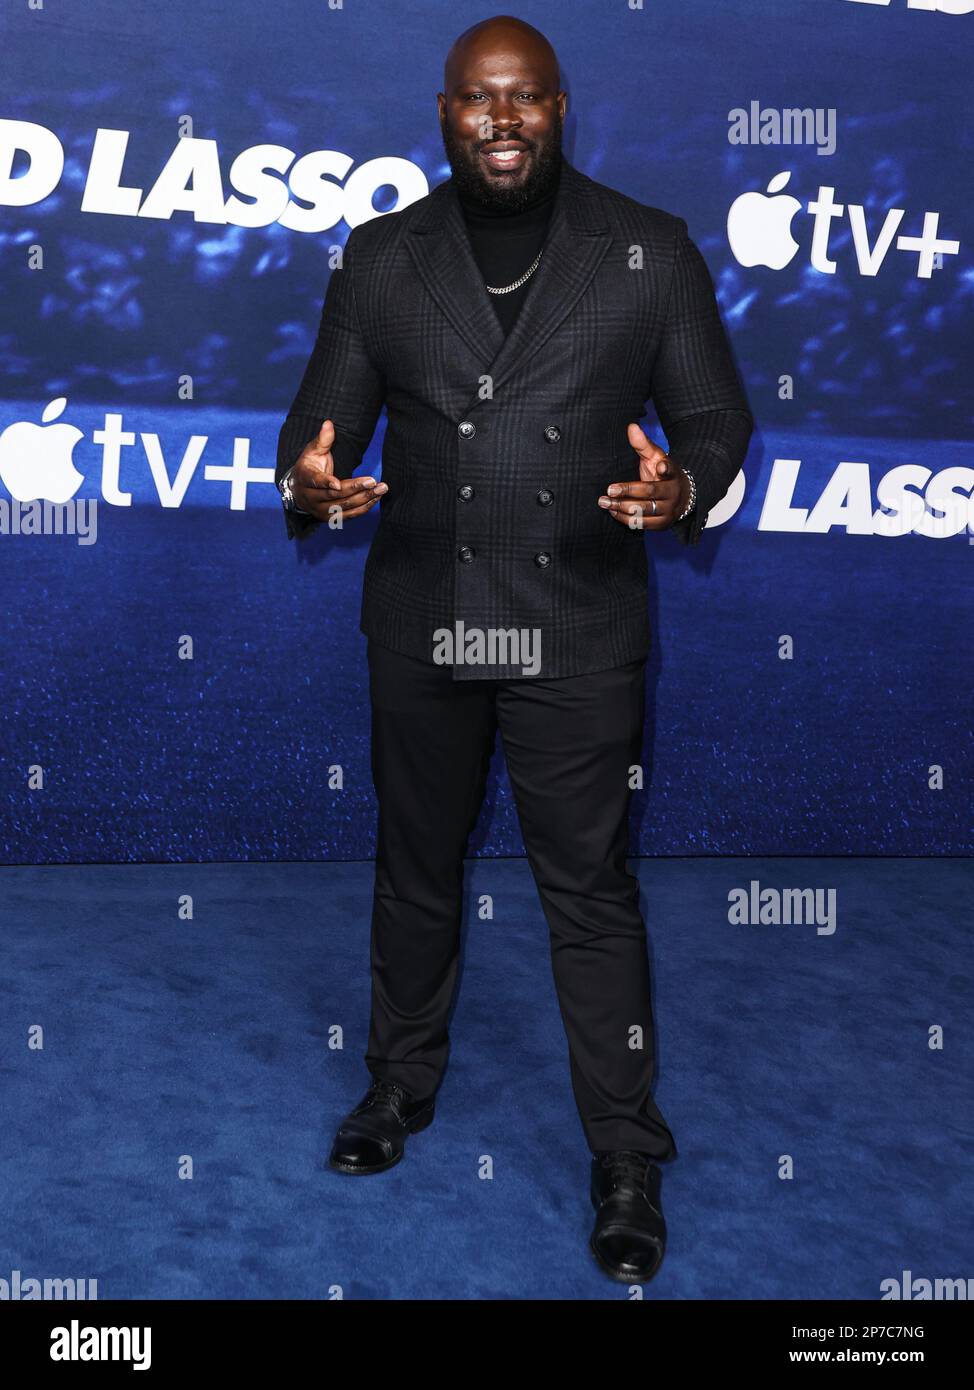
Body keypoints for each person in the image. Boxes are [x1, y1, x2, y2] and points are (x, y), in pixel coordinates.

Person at [275, 14, 753, 1283]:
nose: (501, 120)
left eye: (526, 99)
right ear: (442, 112)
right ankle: (397, 1089)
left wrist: (684, 489)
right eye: (480, 100)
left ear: (559, 109)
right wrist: (311, 482)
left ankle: (624, 1150)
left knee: (588, 895)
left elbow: (712, 414)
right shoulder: (380, 259)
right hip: (425, 616)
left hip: (577, 625)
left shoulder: (646, 250)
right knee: (414, 868)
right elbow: (314, 433)